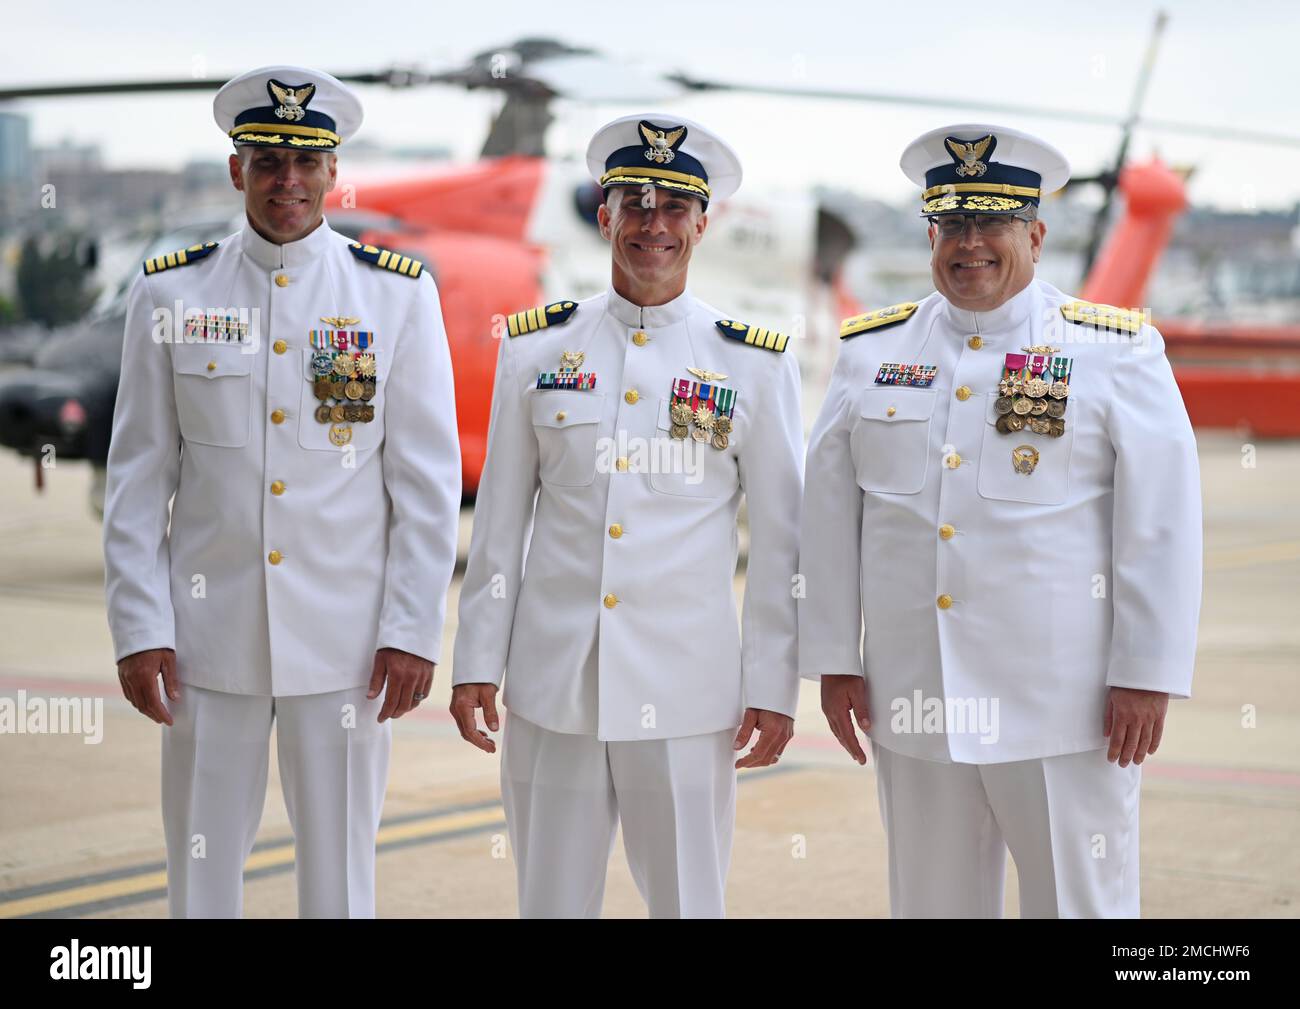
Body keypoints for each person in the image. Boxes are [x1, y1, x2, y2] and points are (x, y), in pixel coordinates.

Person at [799, 123, 1202, 918]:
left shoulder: (1114, 352)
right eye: (952, 222)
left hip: (1066, 706)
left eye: (991, 222)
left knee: (1080, 905)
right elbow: (829, 512)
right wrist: (834, 657)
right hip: (917, 700)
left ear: (1036, 234)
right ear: (931, 233)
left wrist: (1146, 671)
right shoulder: (870, 353)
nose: (970, 242)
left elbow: (1162, 520)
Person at [102, 65, 461, 917]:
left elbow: (425, 482)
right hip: (204, 643)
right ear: (237, 170)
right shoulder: (171, 292)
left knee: (338, 882)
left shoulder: (395, 298)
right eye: (267, 160)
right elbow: (137, 477)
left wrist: (412, 629)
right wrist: (140, 625)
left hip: (345, 652)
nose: (287, 181)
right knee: (200, 878)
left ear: (336, 173)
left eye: (307, 162)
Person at [450, 113, 803, 918]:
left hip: (686, 694)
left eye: (674, 207)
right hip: (552, 688)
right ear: (604, 214)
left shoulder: (749, 361)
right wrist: (477, 659)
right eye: (634, 204)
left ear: (703, 223)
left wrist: (774, 683)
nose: (653, 225)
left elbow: (783, 544)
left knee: (687, 904)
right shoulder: (537, 351)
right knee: (549, 904)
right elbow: (500, 526)